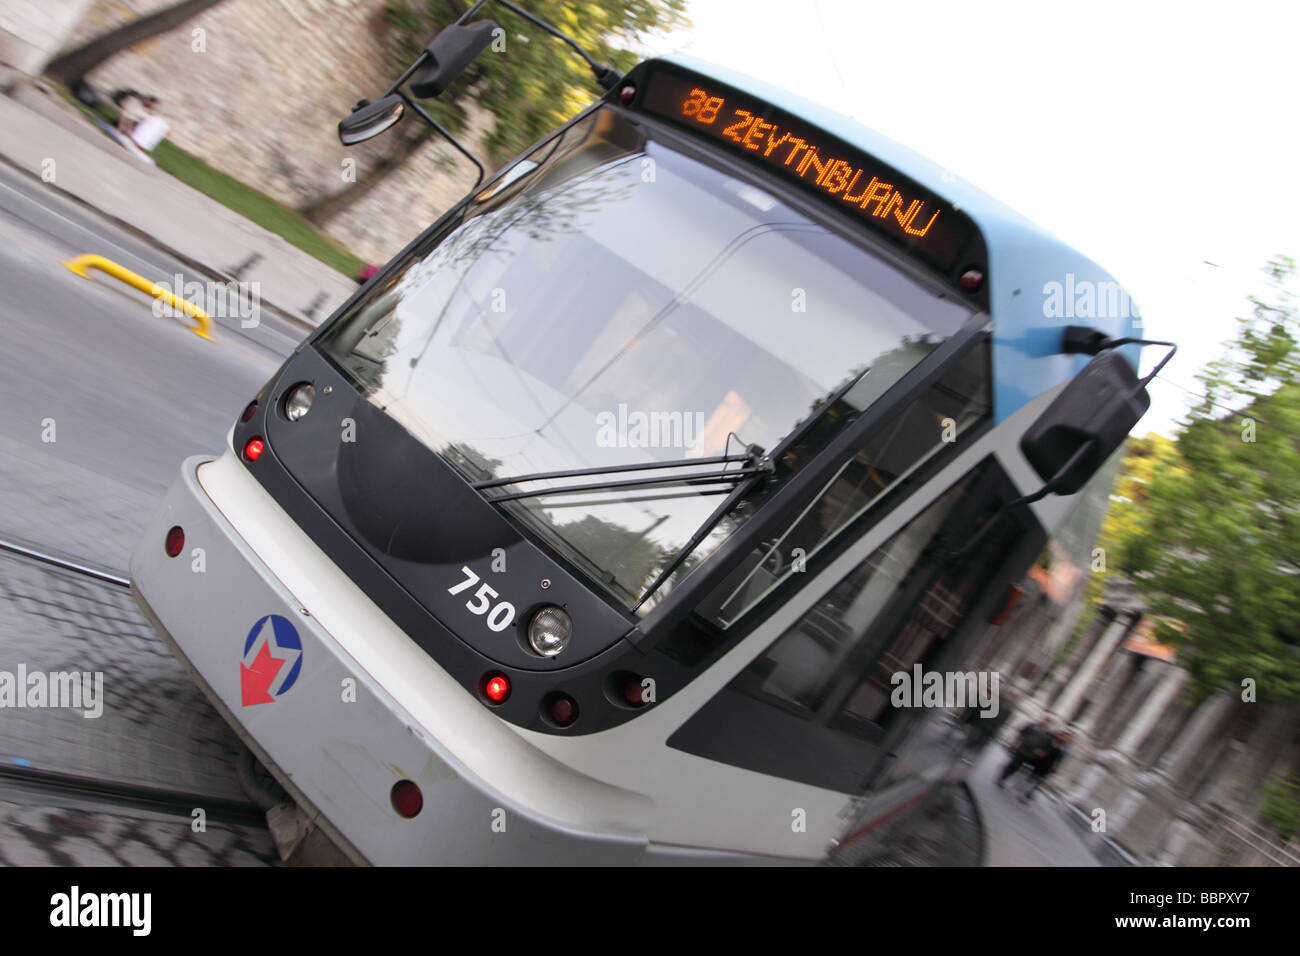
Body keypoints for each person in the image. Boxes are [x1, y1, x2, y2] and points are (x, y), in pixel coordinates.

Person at [1020, 728, 1075, 803]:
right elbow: (1044, 746)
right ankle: (1024, 791)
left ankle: (1027, 794)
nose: (1066, 737)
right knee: (1032, 777)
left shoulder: (1065, 748)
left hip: (1049, 766)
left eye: (1068, 736)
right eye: (1066, 735)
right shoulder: (1052, 739)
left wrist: (1056, 768)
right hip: (1041, 761)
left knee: (1038, 780)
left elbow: (1061, 760)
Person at [996, 717, 1053, 788]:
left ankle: (1003, 778)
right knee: (1014, 764)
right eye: (1045, 720)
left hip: (1030, 756)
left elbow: (1046, 750)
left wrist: (1039, 752)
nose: (1045, 722)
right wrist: (1013, 743)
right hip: (1021, 749)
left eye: (1047, 722)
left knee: (1016, 767)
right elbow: (1020, 734)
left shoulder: (1048, 737)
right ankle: (1001, 778)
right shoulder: (1032, 726)